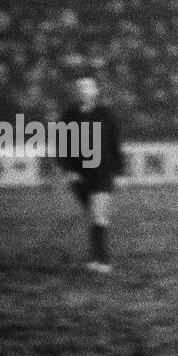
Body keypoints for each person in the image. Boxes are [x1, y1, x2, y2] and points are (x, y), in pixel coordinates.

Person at [58, 77, 125, 274]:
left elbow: (115, 144)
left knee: (98, 213)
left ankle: (103, 259)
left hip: (102, 171)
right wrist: (68, 169)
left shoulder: (106, 114)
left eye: (88, 87)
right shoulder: (68, 116)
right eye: (80, 87)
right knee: (94, 216)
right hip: (80, 174)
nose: (83, 90)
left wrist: (119, 172)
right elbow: (62, 147)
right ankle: (96, 257)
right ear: (76, 92)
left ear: (96, 91)